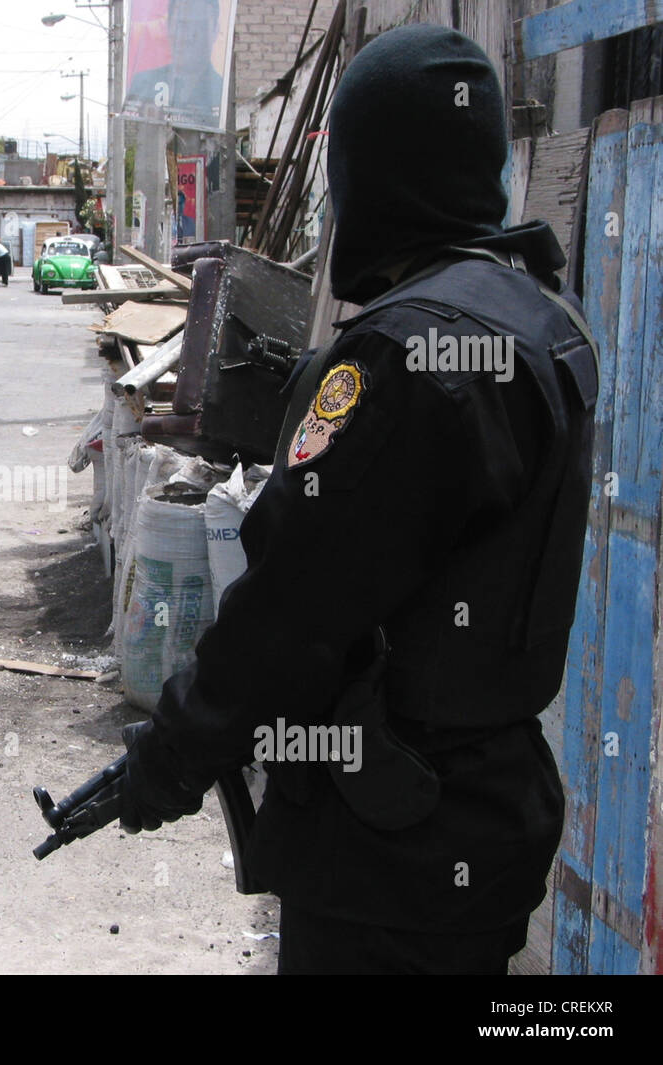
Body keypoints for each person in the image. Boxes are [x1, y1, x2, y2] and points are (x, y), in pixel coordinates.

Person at [115, 24, 598, 975]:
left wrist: (174, 751)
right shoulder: (543, 321)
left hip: (390, 854)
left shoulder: (401, 354)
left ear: (375, 171)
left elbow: (293, 611)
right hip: (484, 819)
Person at [125, 0, 227, 129]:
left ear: (215, 31)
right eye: (182, 26)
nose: (188, 37)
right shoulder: (142, 84)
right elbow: (130, 134)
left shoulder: (222, 93)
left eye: (199, 27)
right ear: (168, 27)